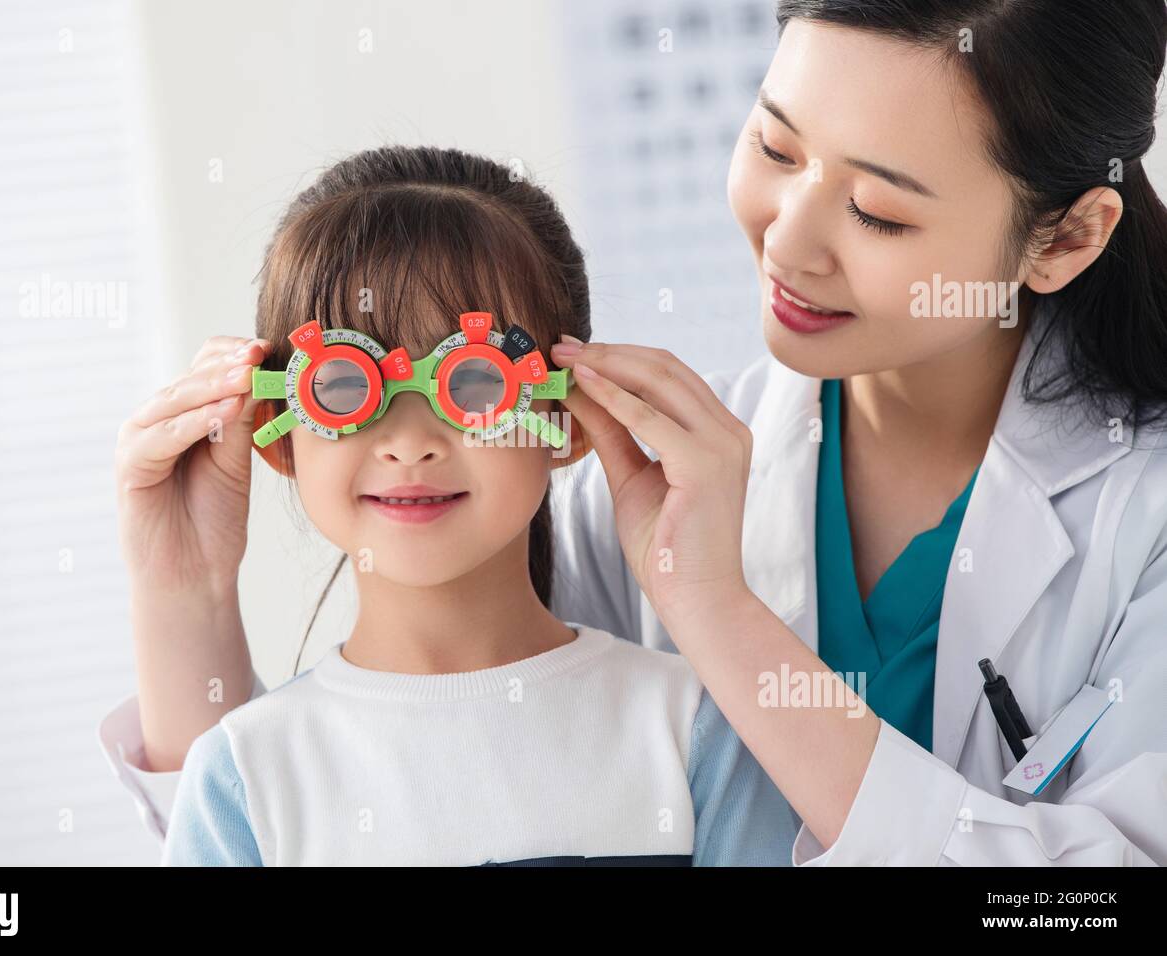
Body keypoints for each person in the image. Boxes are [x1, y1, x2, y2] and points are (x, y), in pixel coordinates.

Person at [103, 0, 1167, 866]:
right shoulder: (626, 488)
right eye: (775, 147)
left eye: (879, 214)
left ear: (1066, 234)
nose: (787, 243)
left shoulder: (1143, 519)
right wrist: (184, 593)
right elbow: (344, 800)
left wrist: (715, 612)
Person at [137, 145, 798, 866]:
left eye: (475, 381)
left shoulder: (693, 731)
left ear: (569, 418)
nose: (410, 443)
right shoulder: (243, 777)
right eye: (345, 387)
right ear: (279, 440)